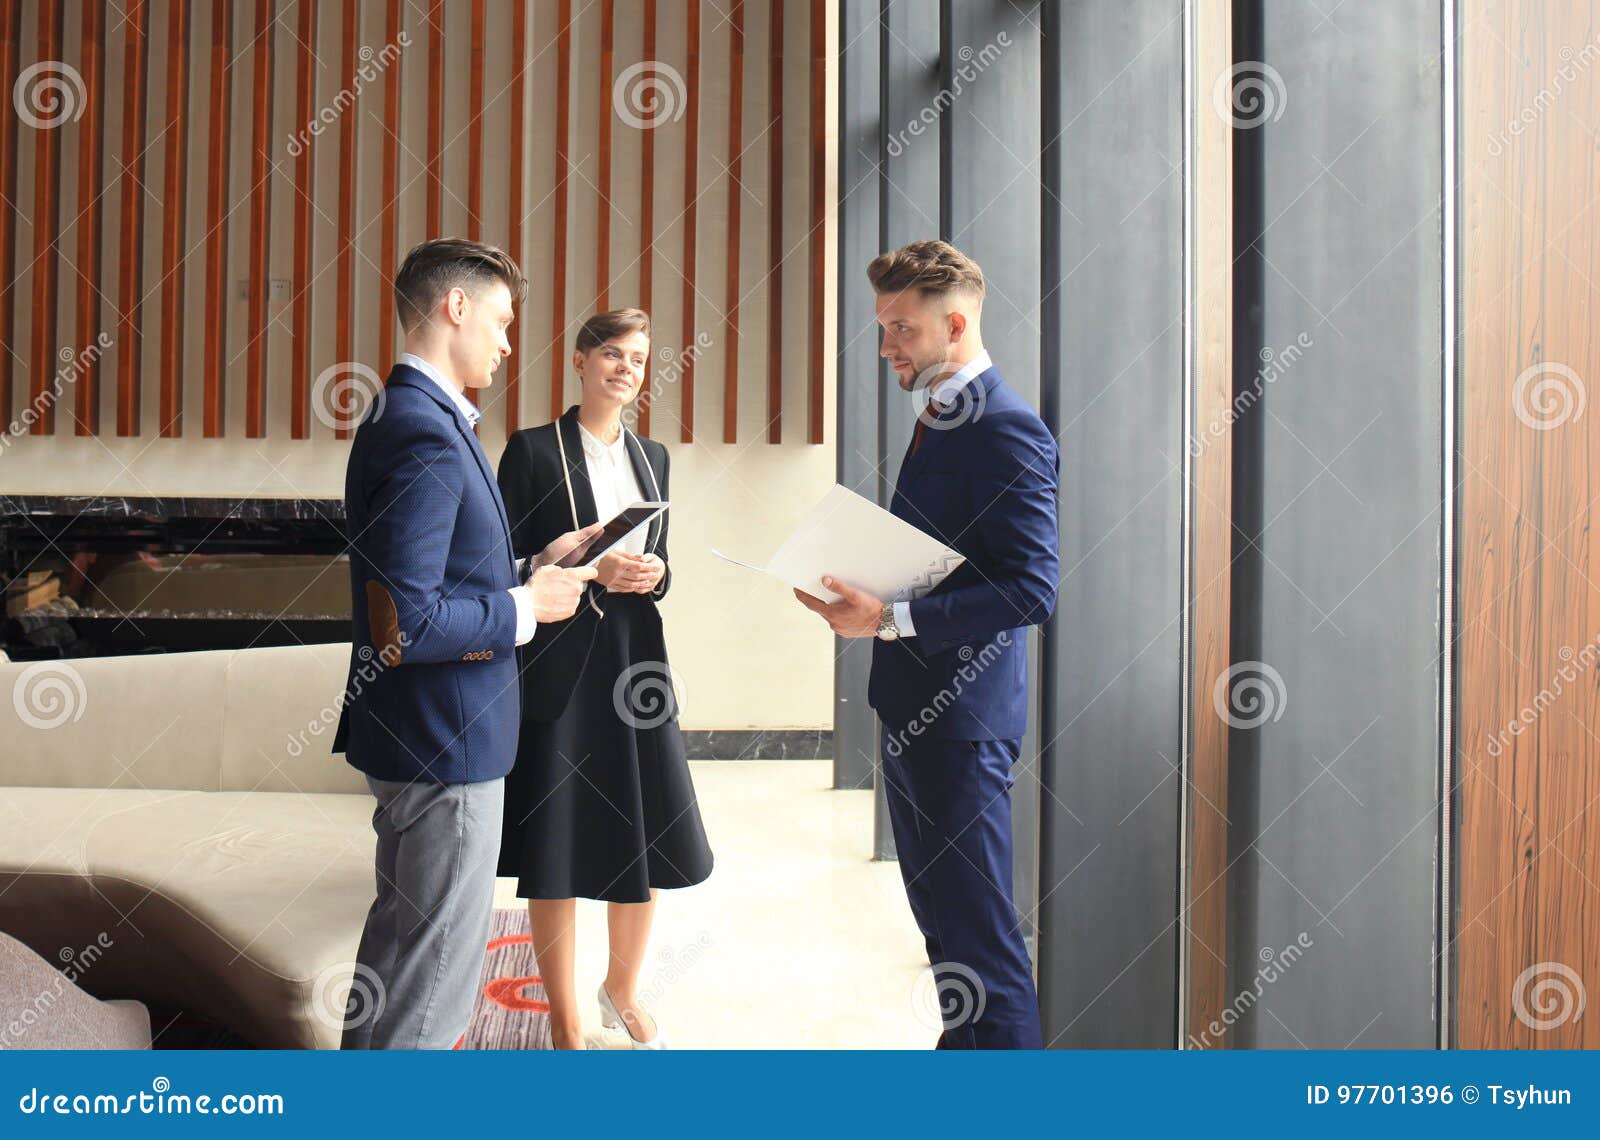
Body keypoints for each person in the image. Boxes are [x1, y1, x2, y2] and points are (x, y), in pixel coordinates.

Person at [334, 238, 602, 1050]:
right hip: (442, 744)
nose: (508, 341)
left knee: (402, 961)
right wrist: (526, 605)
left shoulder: (413, 415)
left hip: (426, 735)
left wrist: (531, 563)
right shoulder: (422, 430)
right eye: (502, 319)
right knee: (430, 989)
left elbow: (430, 579)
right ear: (455, 308)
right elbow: (405, 624)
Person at [794, 240, 1059, 1049]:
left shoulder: (1008, 428)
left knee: (982, 942)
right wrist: (867, 594)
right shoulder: (946, 416)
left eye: (900, 330)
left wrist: (890, 620)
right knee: (946, 938)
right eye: (882, 329)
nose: (885, 349)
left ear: (954, 322)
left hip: (962, 722)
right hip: (915, 711)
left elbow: (1032, 589)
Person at [497, 307, 713, 1051]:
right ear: (581, 362)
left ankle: (619, 988)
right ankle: (563, 1016)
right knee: (554, 844)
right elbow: (505, 565)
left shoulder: (653, 456)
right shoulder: (530, 451)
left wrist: (653, 573)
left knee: (643, 828)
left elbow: (661, 568)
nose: (627, 368)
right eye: (613, 354)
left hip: (635, 660)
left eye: (640, 359)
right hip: (560, 660)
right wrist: (584, 566)